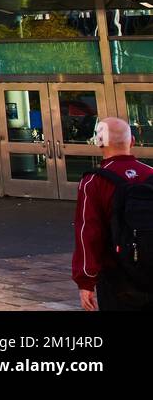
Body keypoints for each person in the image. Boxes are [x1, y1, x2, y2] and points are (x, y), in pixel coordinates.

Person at [73, 117, 153, 311]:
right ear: (132, 141)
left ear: (99, 143)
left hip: (116, 274)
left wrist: (86, 282)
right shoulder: (150, 174)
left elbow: (88, 232)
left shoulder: (94, 181)